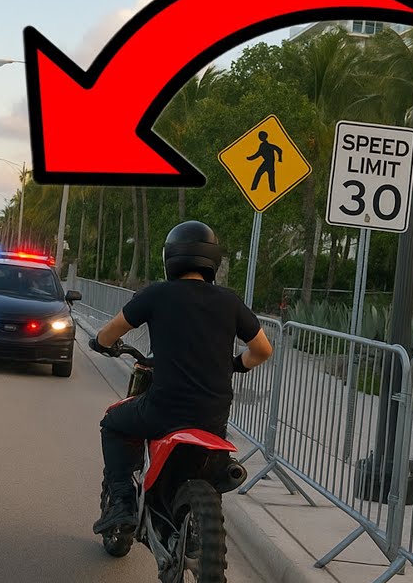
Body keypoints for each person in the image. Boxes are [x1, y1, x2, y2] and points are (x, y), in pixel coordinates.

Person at [89, 220, 274, 535]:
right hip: (213, 418)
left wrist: (101, 343)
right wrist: (235, 364)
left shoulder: (157, 294)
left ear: (170, 258)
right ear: (212, 260)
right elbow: (263, 350)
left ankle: (121, 501)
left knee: (114, 423)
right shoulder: (229, 300)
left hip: (163, 411)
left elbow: (110, 332)